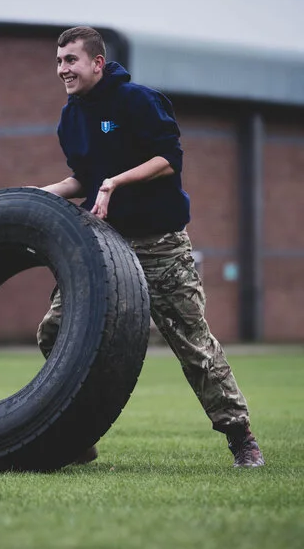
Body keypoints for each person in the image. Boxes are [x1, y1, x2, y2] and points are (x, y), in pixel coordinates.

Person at [35, 26, 264, 468]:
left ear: (97, 63)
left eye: (71, 60)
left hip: (160, 245)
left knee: (194, 346)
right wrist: (36, 193)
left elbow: (168, 159)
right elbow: (82, 177)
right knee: (54, 331)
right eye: (59, 61)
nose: (62, 69)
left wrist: (114, 182)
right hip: (103, 244)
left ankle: (241, 438)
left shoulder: (138, 101)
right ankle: (80, 433)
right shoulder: (71, 117)